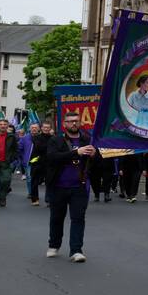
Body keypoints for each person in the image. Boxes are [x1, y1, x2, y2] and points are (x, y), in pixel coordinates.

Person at [43, 111, 94, 261]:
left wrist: (95, 155)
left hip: (79, 186)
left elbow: (97, 164)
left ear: (80, 123)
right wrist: (75, 152)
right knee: (57, 218)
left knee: (78, 218)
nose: (73, 123)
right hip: (58, 186)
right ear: (64, 124)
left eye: (76, 121)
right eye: (70, 121)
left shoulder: (87, 139)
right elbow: (52, 158)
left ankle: (76, 251)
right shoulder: (56, 140)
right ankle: (54, 245)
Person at [0, 118, 18, 207]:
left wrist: (11, 159)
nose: (3, 126)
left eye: (4, 124)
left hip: (5, 163)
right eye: (1, 124)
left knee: (5, 181)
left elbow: (15, 150)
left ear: (7, 126)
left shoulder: (11, 137)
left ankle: (2, 197)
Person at [30, 122, 51, 205]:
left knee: (49, 181)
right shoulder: (36, 137)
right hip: (37, 162)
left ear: (50, 129)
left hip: (49, 162)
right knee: (34, 181)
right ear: (41, 128)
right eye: (44, 127)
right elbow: (40, 147)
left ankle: (49, 199)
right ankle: (34, 199)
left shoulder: (53, 138)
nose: (46, 129)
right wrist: (50, 146)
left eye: (48, 127)